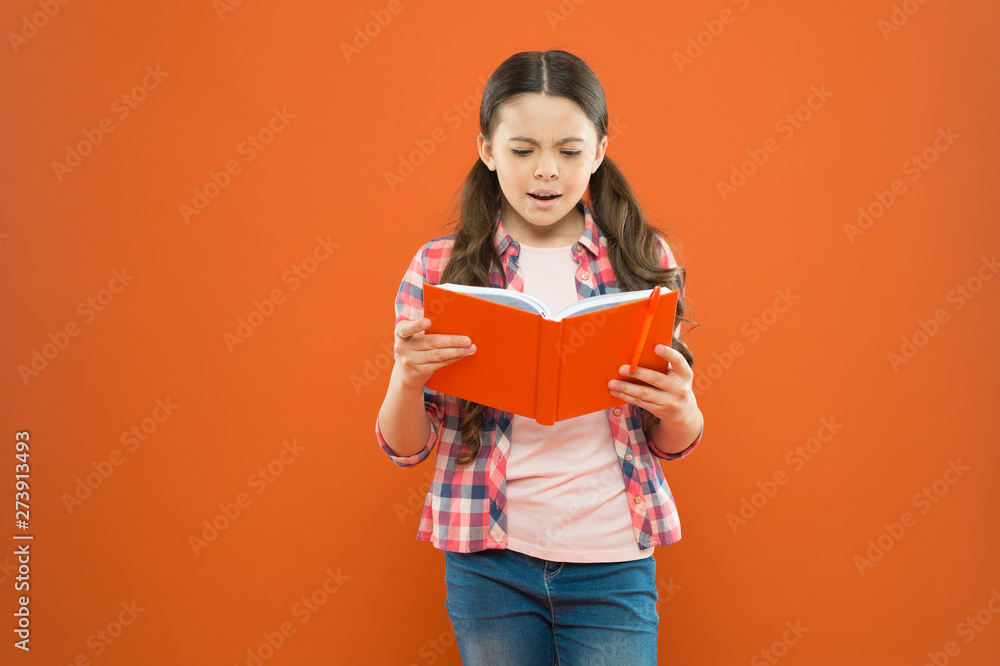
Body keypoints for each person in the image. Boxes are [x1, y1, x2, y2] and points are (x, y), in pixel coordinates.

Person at [375, 49, 705, 666]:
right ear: (486, 148)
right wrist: (405, 376)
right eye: (523, 150)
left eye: (570, 151)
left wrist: (681, 404)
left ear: (600, 151)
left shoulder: (639, 257)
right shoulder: (439, 269)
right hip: (488, 564)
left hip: (613, 558)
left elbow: (673, 442)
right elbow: (405, 447)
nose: (546, 171)